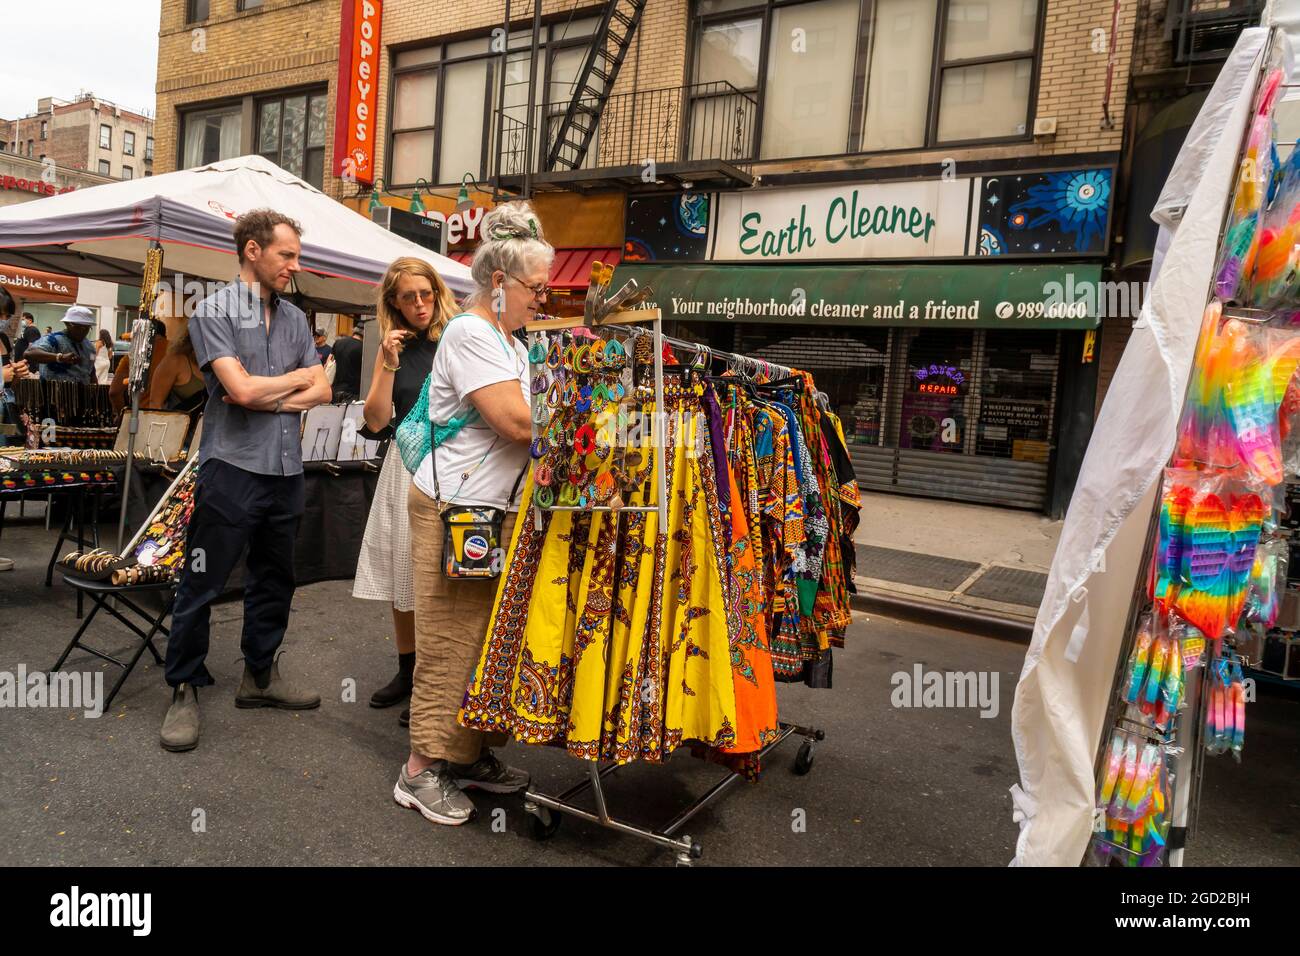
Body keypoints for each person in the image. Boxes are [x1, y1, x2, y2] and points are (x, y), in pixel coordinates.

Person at [393, 201, 549, 826]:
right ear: (500, 283)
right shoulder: (471, 333)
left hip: (486, 511)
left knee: (487, 641)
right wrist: (594, 428)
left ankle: (470, 755)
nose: (543, 297)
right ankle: (420, 770)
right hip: (456, 509)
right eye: (536, 287)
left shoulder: (508, 339)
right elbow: (515, 423)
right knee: (451, 641)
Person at [159, 208, 333, 753]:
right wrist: (293, 382)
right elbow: (240, 392)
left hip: (285, 471)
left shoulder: (296, 319)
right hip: (230, 469)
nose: (294, 266)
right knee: (203, 582)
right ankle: (183, 686)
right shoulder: (214, 311)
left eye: (297, 256)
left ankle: (259, 676)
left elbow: (323, 394)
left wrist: (271, 390)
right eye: (287, 255)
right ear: (253, 251)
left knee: (275, 577)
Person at [354, 258, 455, 724]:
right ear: (393, 302)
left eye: (426, 293)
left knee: (443, 573)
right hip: (404, 464)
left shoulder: (458, 337)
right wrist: (388, 363)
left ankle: (435, 681)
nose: (419, 304)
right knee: (403, 570)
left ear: (437, 292)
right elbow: (375, 420)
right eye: (408, 296)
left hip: (454, 466)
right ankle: (407, 668)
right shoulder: (391, 347)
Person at [0, 287, 29, 573]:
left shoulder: (3, 340)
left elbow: (7, 382)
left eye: (7, 316)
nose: (5, 320)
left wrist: (14, 376)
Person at [144, 327, 206, 434]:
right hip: (177, 436)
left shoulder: (217, 364)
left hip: (207, 437)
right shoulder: (175, 361)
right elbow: (155, 404)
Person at [109, 320, 169, 417]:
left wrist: (123, 416)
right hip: (174, 417)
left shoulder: (132, 356)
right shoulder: (176, 351)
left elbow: (114, 392)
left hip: (142, 416)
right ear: (164, 335)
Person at [24, 306, 98, 382]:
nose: (83, 331)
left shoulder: (90, 347)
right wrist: (60, 357)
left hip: (81, 392)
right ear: (67, 324)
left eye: (87, 328)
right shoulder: (53, 339)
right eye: (78, 327)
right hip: (53, 391)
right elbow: (29, 353)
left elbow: (91, 371)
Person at [330, 322, 364, 402]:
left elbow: (330, 362)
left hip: (335, 389)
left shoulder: (338, 343)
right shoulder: (363, 348)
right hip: (352, 392)